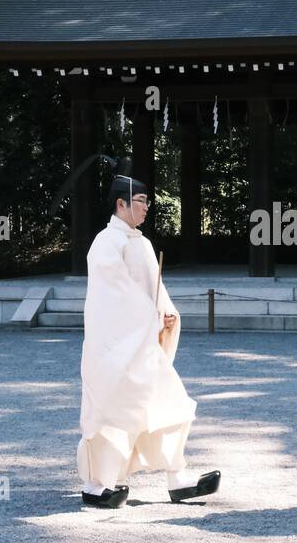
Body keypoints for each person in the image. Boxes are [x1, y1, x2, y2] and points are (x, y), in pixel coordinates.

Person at [77, 157, 219, 509]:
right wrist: (150, 318)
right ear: (120, 204)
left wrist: (166, 314)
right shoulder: (105, 243)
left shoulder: (139, 242)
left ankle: (178, 478)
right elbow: (114, 297)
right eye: (140, 202)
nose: (146, 208)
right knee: (111, 414)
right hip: (114, 348)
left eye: (146, 202)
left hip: (142, 344)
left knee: (170, 404)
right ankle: (97, 484)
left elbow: (152, 291)